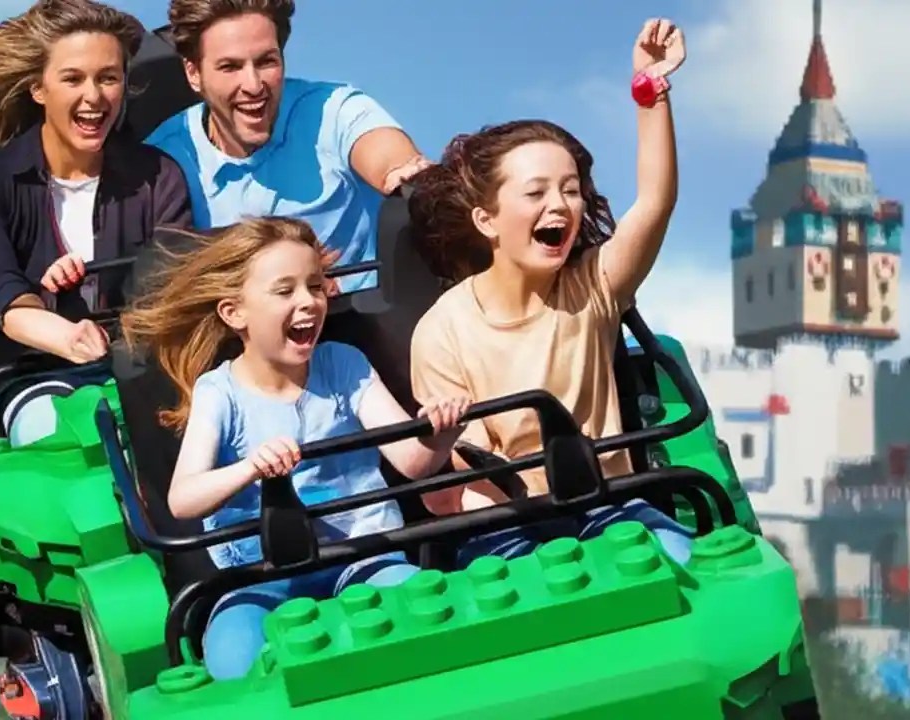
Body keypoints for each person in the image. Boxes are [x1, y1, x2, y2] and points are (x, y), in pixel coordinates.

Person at [120, 216, 470, 680]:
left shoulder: (346, 365)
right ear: (235, 313)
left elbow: (411, 461)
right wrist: (249, 468)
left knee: (425, 617)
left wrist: (439, 433)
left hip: (363, 556)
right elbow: (184, 500)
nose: (307, 302)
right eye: (284, 292)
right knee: (233, 659)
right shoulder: (218, 392)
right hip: (259, 575)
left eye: (315, 287)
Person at [407, 19, 694, 565]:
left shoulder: (594, 284)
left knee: (678, 566)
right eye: (536, 192)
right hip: (508, 527)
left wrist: (650, 89)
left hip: (613, 506)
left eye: (570, 190)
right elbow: (469, 464)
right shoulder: (443, 331)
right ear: (487, 220)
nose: (559, 205)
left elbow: (656, 200)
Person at [0, 0, 192, 446]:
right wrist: (69, 335)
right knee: (64, 440)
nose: (94, 96)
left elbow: (172, 287)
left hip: (142, 365)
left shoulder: (159, 176)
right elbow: (3, 294)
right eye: (73, 78)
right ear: (39, 89)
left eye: (108, 77)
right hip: (33, 373)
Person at [145, 0, 431, 293]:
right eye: (230, 67)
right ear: (194, 73)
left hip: (360, 319)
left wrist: (404, 173)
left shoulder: (332, 109)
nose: (253, 85)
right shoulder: (162, 157)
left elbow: (391, 159)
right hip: (235, 327)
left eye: (266, 61)